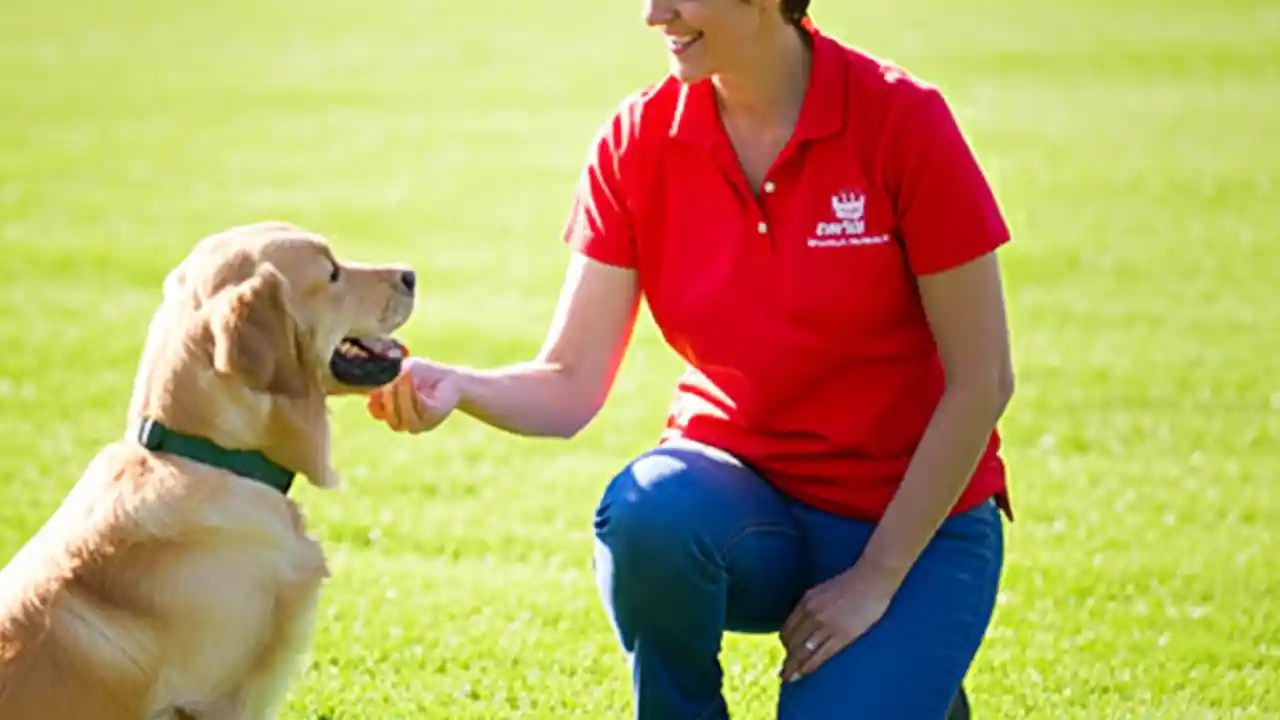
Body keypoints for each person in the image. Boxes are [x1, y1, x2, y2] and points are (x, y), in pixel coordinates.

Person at [368, 0, 1016, 717]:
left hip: (911, 525)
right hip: (745, 508)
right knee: (650, 513)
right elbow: (569, 381)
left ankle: (904, 670)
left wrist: (876, 578)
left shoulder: (901, 119)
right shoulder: (638, 138)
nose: (654, 13)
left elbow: (982, 379)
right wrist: (458, 385)